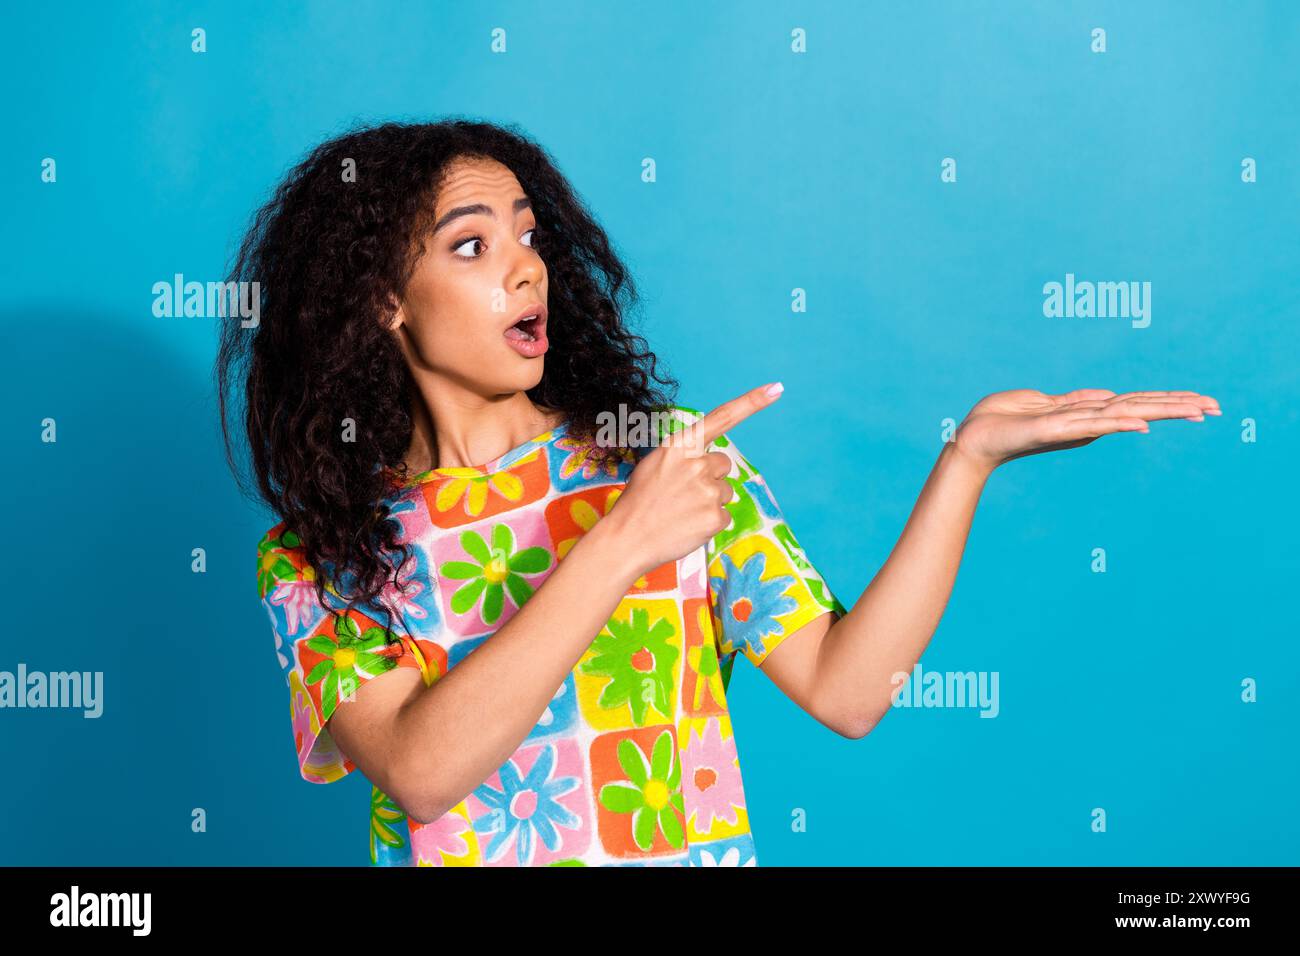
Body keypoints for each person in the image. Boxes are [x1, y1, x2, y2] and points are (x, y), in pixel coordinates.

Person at [217, 118, 1220, 867]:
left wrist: (967, 460)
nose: (525, 267)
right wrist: (619, 545)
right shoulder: (321, 552)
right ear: (384, 299)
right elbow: (420, 769)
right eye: (471, 245)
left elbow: (848, 687)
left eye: (529, 235)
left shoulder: (666, 462)